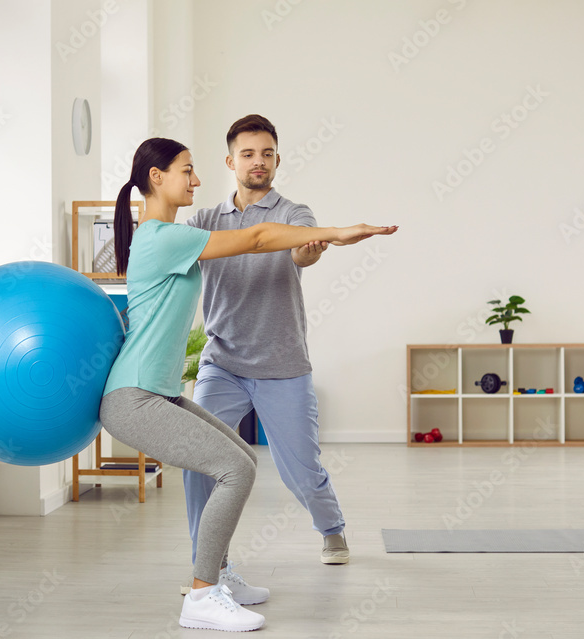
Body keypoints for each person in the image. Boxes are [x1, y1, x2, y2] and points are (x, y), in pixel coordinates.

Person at [98, 136, 397, 632]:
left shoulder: (167, 234)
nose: (195, 180)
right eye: (187, 171)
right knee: (235, 470)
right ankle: (201, 596)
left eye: (195, 171)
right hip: (136, 396)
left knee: (243, 462)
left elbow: (278, 242)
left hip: (163, 391)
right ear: (157, 178)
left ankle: (219, 573)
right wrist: (345, 231)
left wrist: (314, 247)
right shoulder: (164, 235)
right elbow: (258, 239)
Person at [181, 115, 398, 596]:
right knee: (199, 460)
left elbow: (301, 252)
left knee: (301, 469)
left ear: (277, 159)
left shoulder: (296, 214)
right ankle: (206, 566)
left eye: (267, 153)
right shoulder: (204, 220)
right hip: (222, 363)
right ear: (230, 160)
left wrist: (311, 252)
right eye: (248, 153)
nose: (258, 162)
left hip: (282, 366)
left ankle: (331, 528)